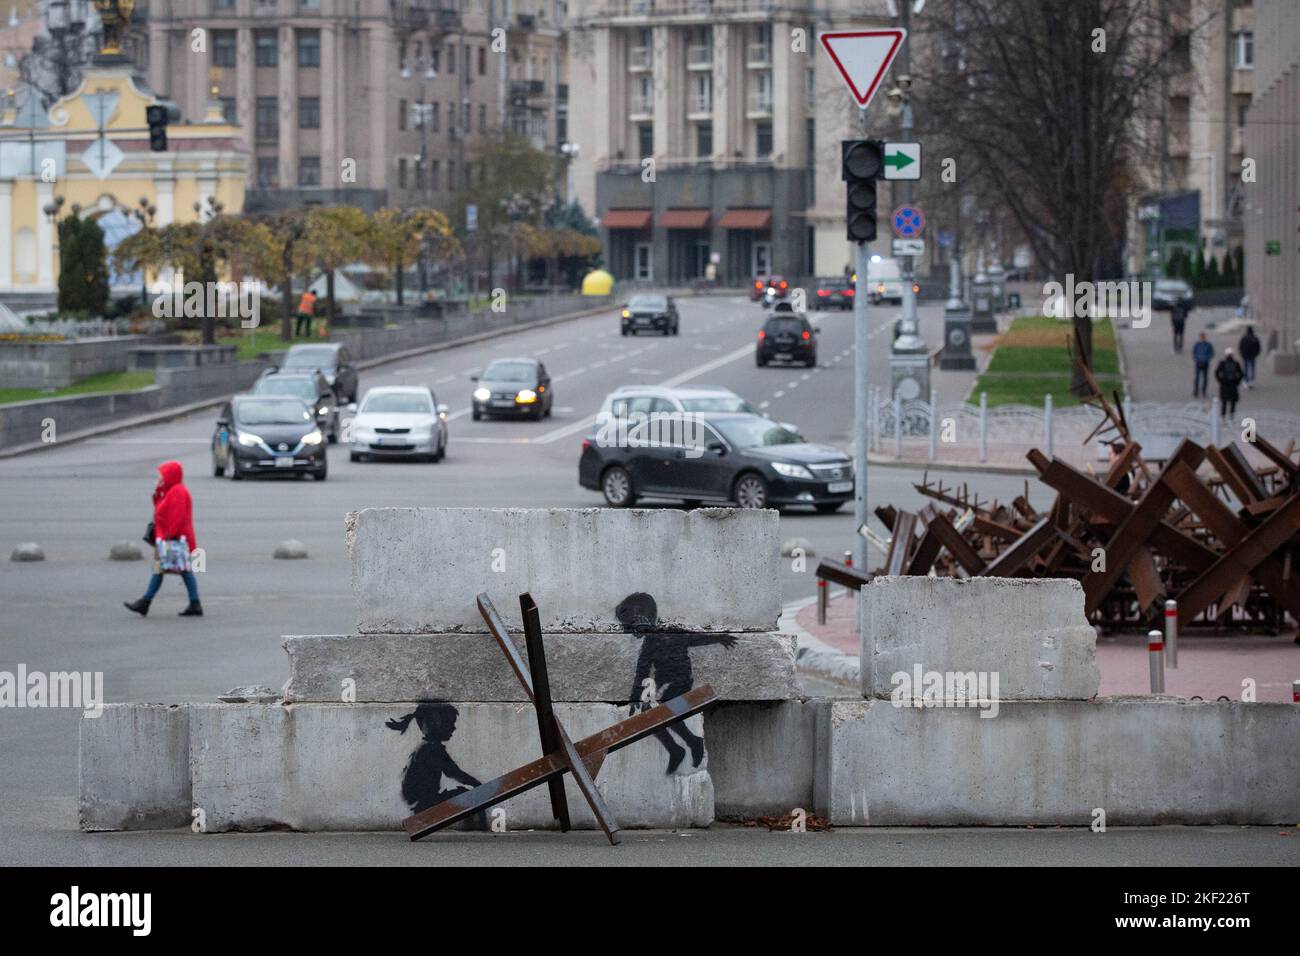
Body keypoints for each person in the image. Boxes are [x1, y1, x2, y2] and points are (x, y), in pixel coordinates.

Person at [124, 461, 202, 617]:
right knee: (175, 571)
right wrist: (159, 491)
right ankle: (193, 603)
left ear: (170, 476)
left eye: (162, 475)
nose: (159, 478)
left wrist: (169, 538)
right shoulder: (172, 490)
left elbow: (177, 518)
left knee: (172, 571)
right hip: (172, 539)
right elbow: (162, 509)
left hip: (173, 539)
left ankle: (146, 602)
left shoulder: (177, 492)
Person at [1214, 347, 1245, 418]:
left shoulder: (1222, 363)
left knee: (1224, 403)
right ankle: (1231, 418)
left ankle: (1223, 417)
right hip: (1233, 386)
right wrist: (1237, 382)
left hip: (1224, 385)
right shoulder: (1236, 363)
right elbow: (1241, 374)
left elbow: (1216, 373)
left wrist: (1220, 380)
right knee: (1233, 403)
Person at [1192, 332, 1214, 398]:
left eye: (1203, 337)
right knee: (1197, 378)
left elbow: (1212, 352)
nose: (1202, 338)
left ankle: (1203, 391)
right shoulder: (1197, 344)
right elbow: (1194, 352)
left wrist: (1207, 358)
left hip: (1205, 363)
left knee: (1205, 378)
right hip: (1198, 363)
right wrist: (1196, 358)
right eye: (1201, 337)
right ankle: (1196, 391)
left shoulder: (1208, 344)